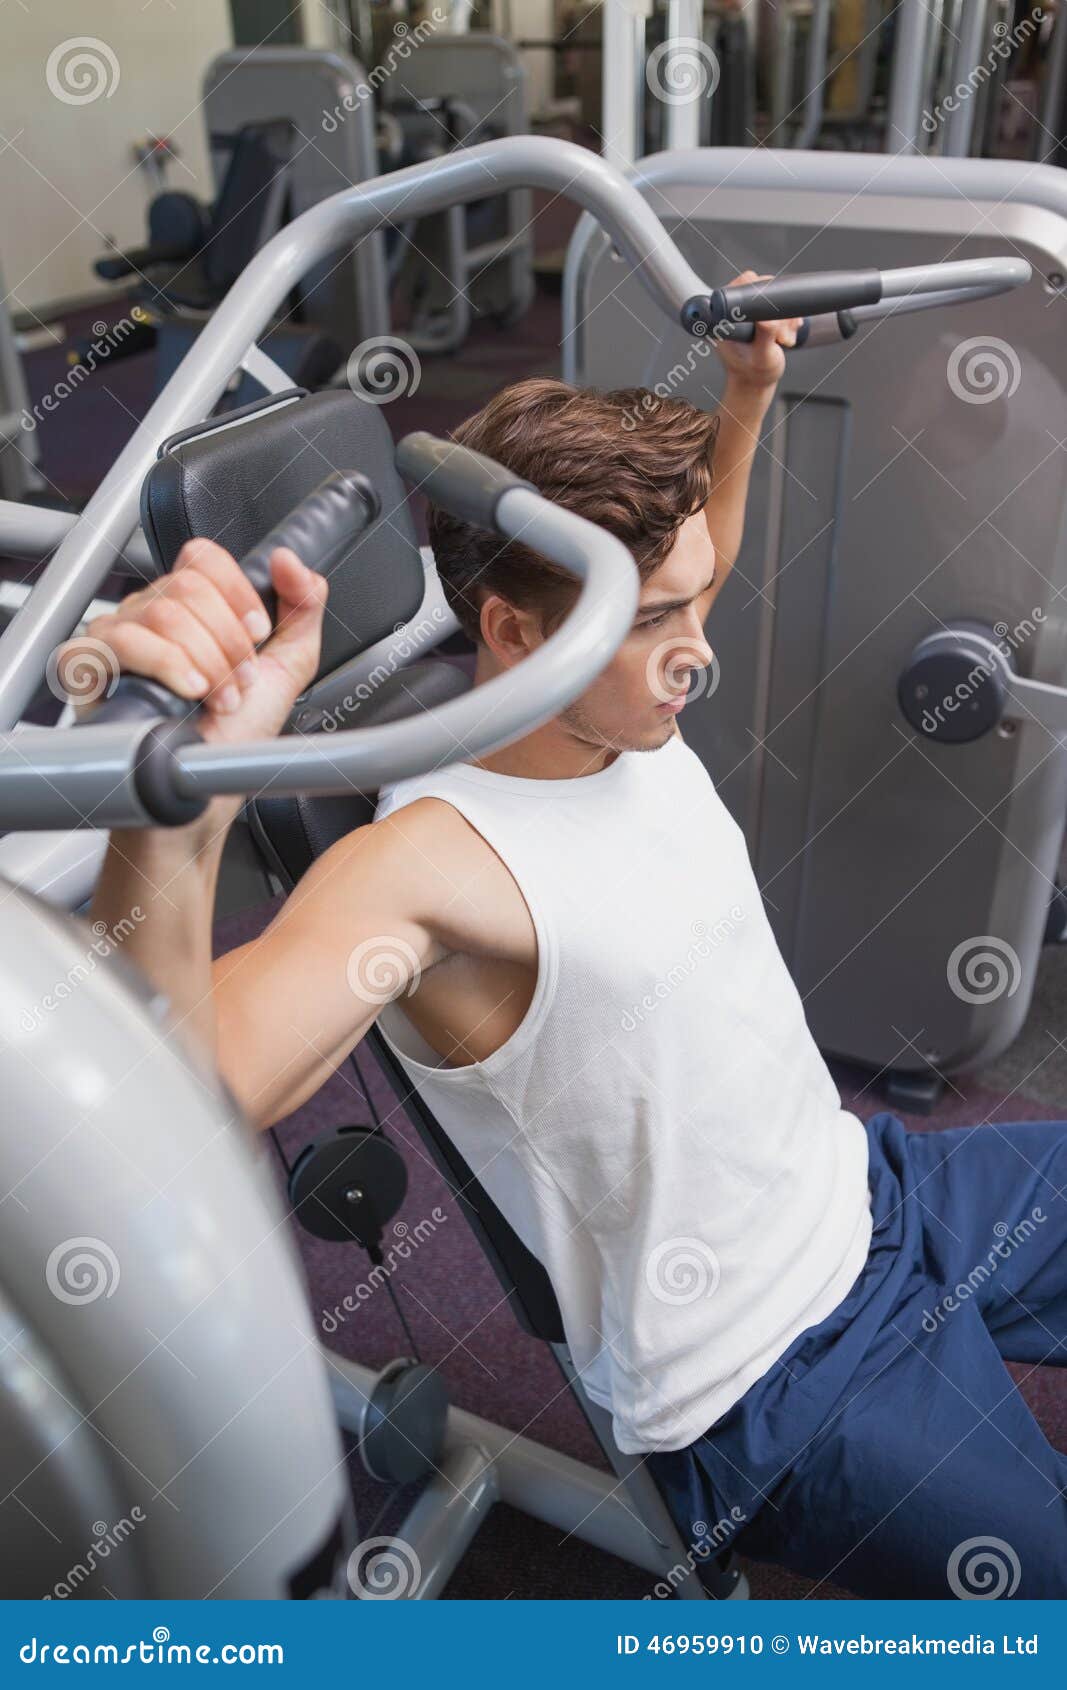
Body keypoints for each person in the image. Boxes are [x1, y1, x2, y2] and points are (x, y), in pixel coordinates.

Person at [79, 281, 1067, 1601]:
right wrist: (183, 795)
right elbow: (166, 1106)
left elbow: (695, 546)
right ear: (517, 635)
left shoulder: (611, 695)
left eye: (693, 603)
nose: (698, 654)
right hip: (770, 1371)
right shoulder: (423, 870)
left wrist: (750, 391)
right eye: (662, 621)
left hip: (869, 1191)